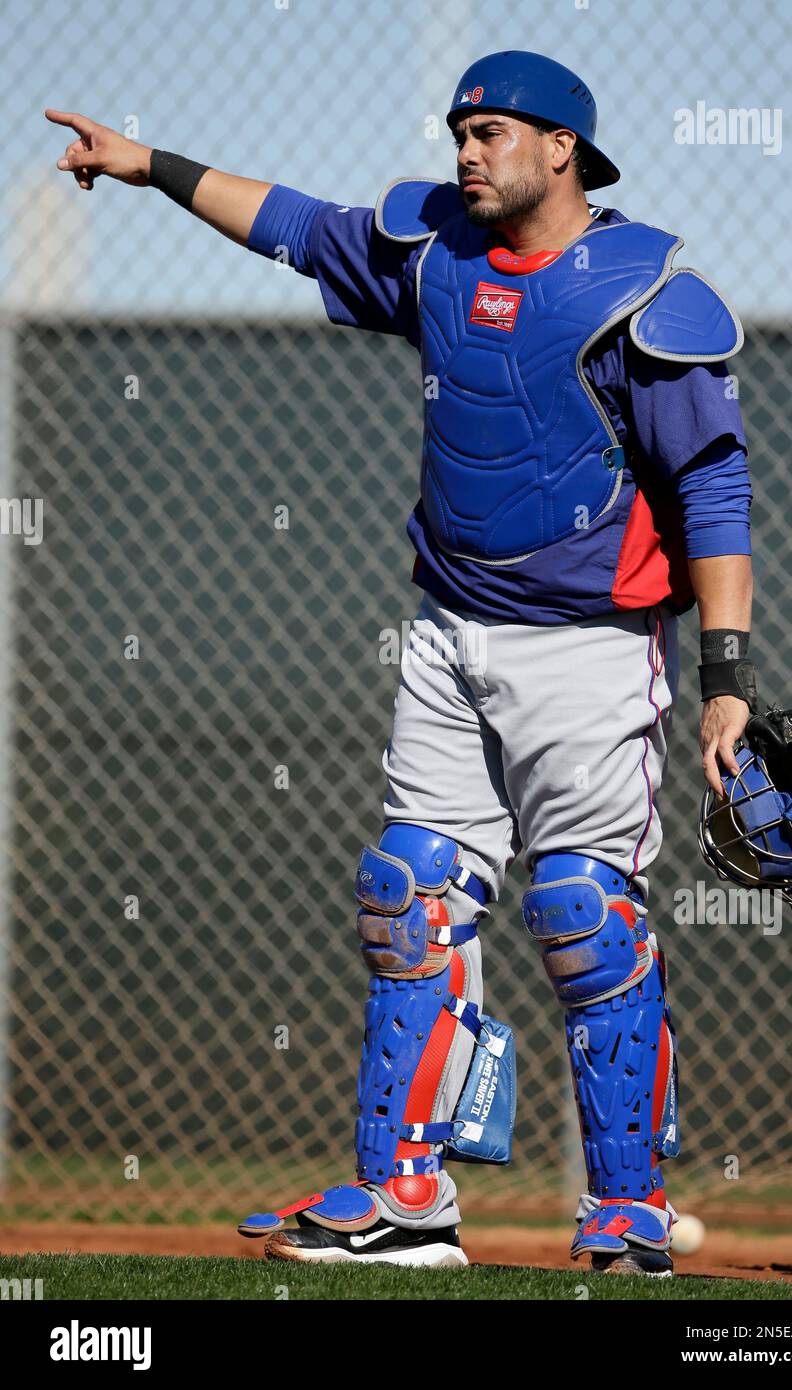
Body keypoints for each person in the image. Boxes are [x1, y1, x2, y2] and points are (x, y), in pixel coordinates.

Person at [47, 49, 756, 1275]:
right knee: (408, 895)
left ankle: (626, 1209)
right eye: (458, 131)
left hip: (589, 647)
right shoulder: (434, 251)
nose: (465, 151)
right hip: (445, 630)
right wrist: (148, 166)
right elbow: (289, 225)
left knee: (584, 916)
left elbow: (712, 483)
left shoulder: (642, 291)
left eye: (490, 132)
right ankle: (407, 1198)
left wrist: (727, 676)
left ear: (562, 150)